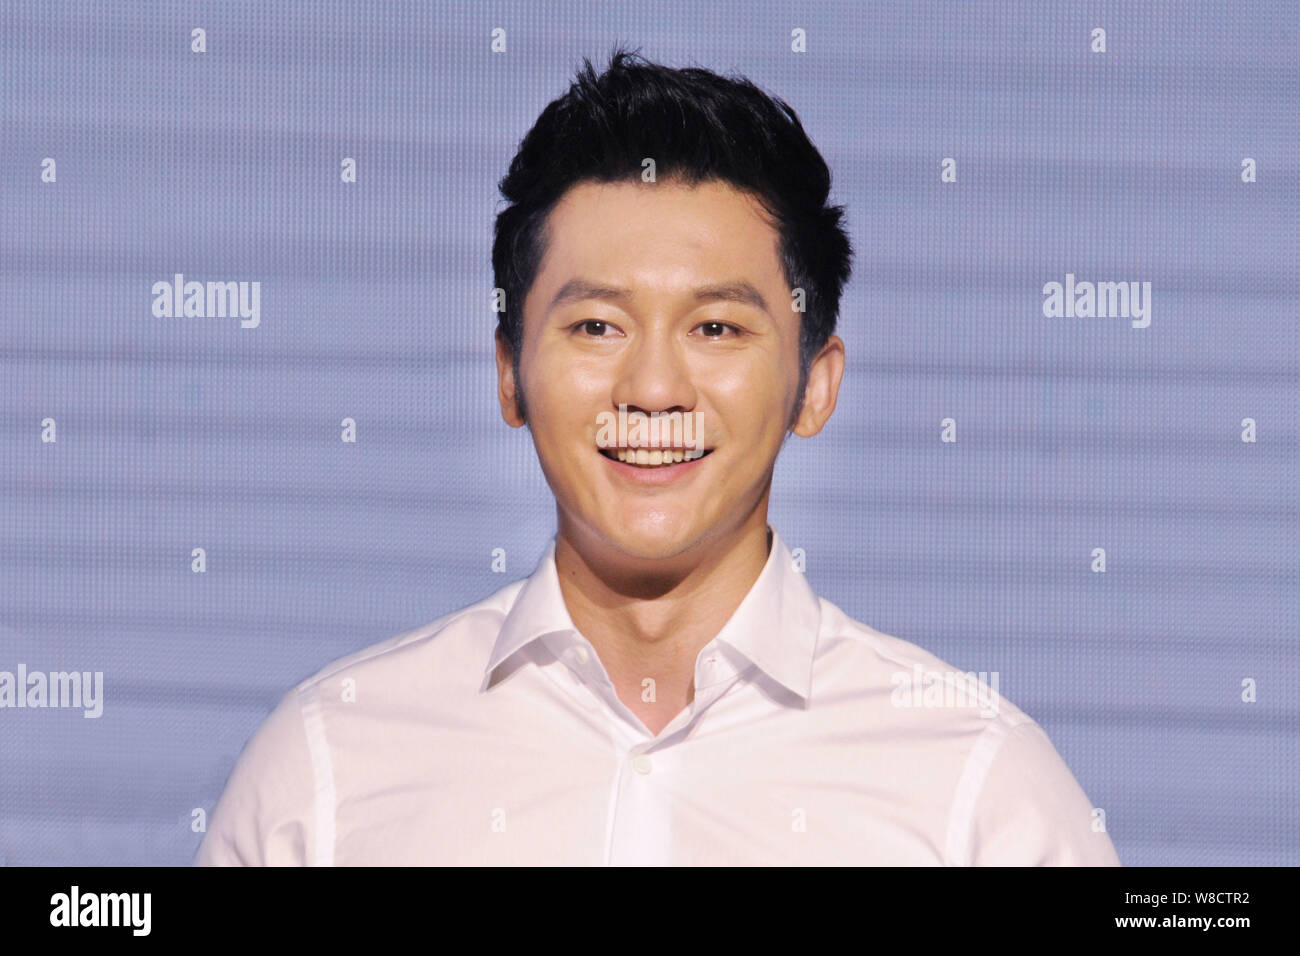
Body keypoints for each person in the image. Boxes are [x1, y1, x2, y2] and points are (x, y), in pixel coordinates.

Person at [196, 48, 1120, 866]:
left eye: (716, 327)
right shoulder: (329, 768)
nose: (652, 388)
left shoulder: (977, 788)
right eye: (596, 325)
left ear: (816, 384)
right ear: (509, 373)